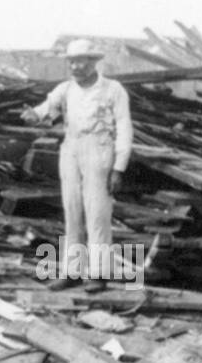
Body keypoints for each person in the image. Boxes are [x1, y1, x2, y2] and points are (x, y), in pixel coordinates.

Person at [21, 38, 133, 292]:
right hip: (71, 150)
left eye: (81, 62)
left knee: (97, 213)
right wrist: (32, 116)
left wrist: (119, 167)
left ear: (93, 62)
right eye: (72, 62)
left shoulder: (113, 89)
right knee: (72, 212)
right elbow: (43, 110)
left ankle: (98, 273)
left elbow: (125, 128)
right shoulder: (65, 89)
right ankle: (72, 271)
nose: (75, 67)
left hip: (99, 150)